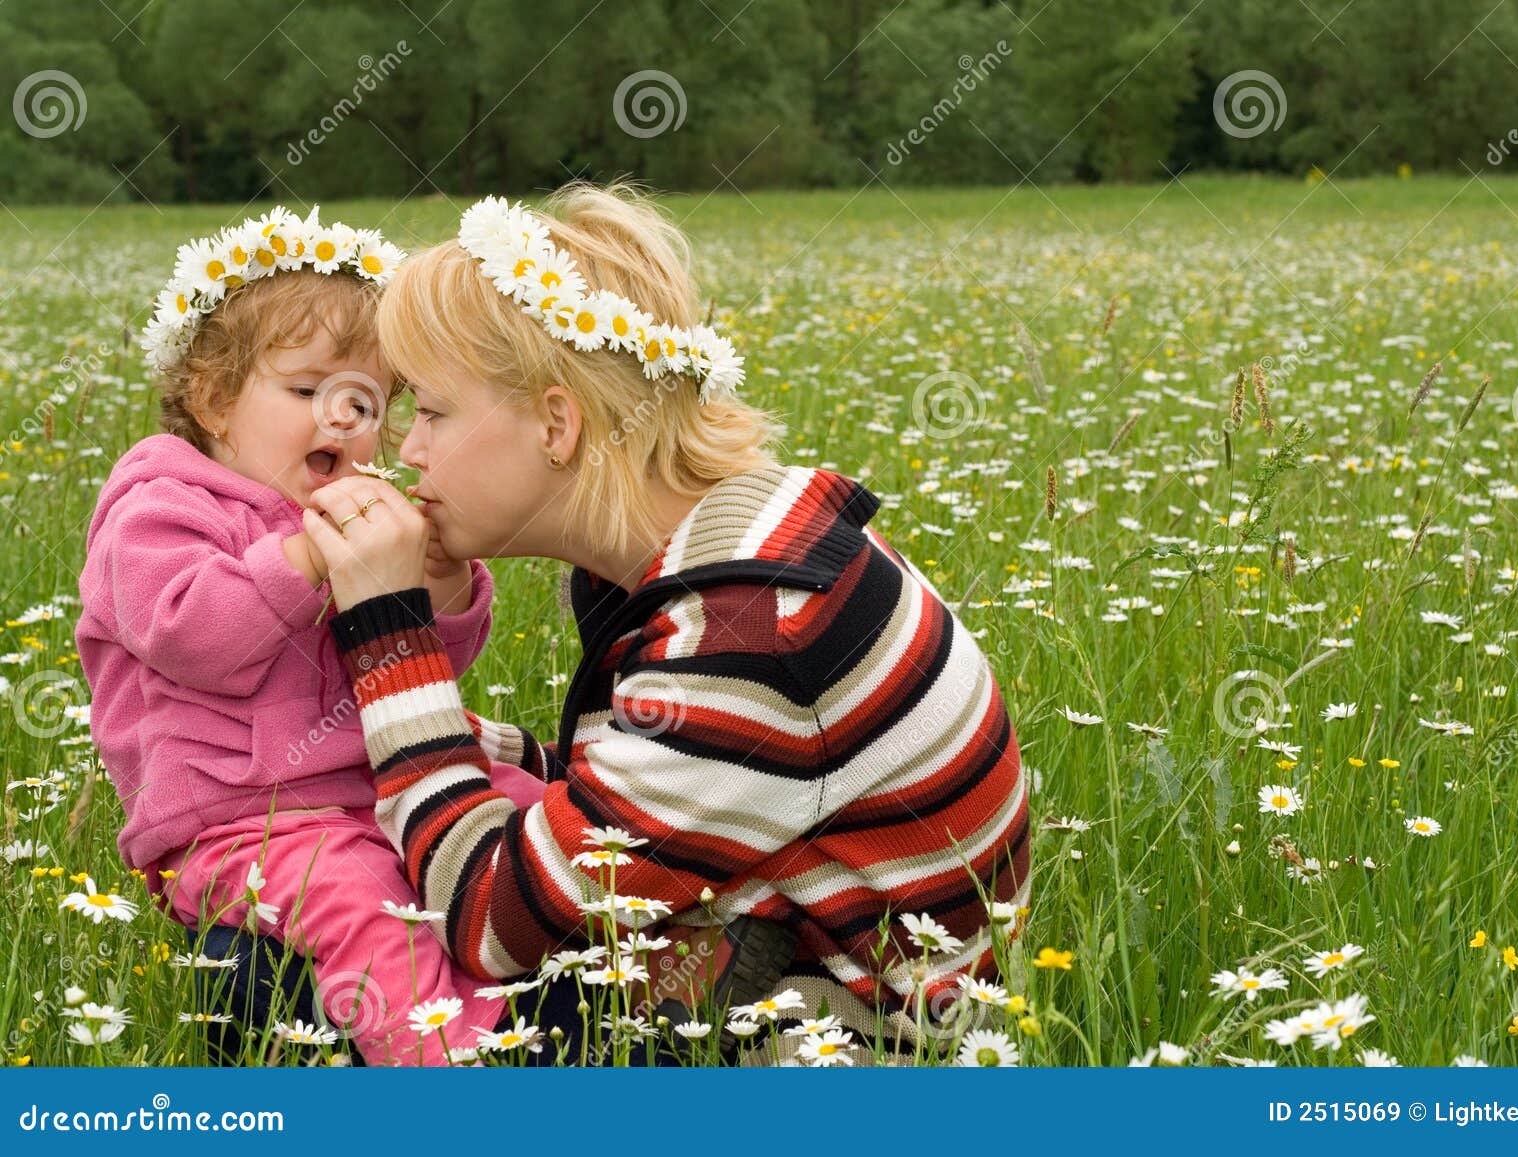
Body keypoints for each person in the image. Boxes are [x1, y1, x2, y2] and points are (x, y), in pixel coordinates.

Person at [300, 183, 1031, 1064]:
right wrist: (474, 746)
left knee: (277, 983)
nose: (406, 450)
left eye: (434, 410)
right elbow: (632, 809)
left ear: (557, 423)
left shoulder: (752, 629)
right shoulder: (722, 547)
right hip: (757, 965)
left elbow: (488, 919)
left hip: (843, 1056)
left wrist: (389, 632)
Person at [76, 207, 539, 1066]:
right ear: (214, 399)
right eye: (306, 392)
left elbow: (418, 671)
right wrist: (303, 559)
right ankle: (454, 1069)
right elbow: (189, 633)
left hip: (370, 787)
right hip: (240, 824)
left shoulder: (335, 513)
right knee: (362, 907)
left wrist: (432, 578)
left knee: (529, 811)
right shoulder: (158, 504)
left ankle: (644, 972)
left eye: (363, 401)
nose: (342, 420)